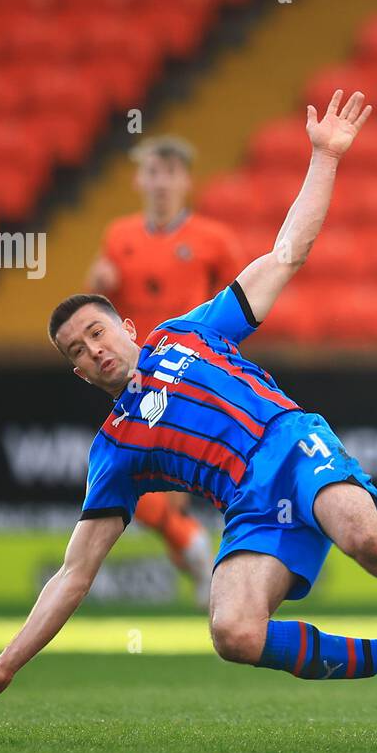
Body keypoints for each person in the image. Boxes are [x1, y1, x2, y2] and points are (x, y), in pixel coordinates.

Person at [0, 91, 377, 735]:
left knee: (364, 537)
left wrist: (324, 159)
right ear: (79, 373)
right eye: (77, 352)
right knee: (233, 632)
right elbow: (74, 573)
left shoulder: (186, 334)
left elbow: (285, 255)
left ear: (127, 327)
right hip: (249, 505)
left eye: (97, 332)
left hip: (290, 442)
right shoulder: (114, 452)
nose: (93, 349)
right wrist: (7, 665)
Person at [87, 135, 246, 605]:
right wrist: (100, 287)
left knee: (165, 485)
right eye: (152, 172)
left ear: (185, 180)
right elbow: (102, 320)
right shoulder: (118, 237)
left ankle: (211, 564)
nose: (160, 182)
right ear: (139, 179)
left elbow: (240, 303)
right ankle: (203, 561)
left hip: (195, 370)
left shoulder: (214, 240)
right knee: (148, 489)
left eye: (169, 172)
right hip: (138, 376)